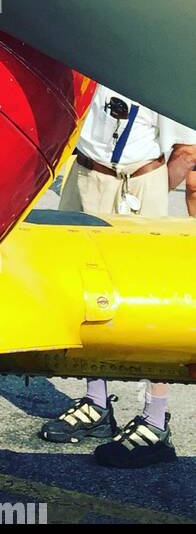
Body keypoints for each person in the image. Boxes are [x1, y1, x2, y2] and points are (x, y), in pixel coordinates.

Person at [38, 84, 196, 468]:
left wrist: (149, 189)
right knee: (82, 294)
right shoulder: (87, 57)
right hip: (85, 176)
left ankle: (154, 421)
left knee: (149, 302)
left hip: (138, 182)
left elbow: (186, 151)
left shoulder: (145, 64)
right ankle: (96, 402)